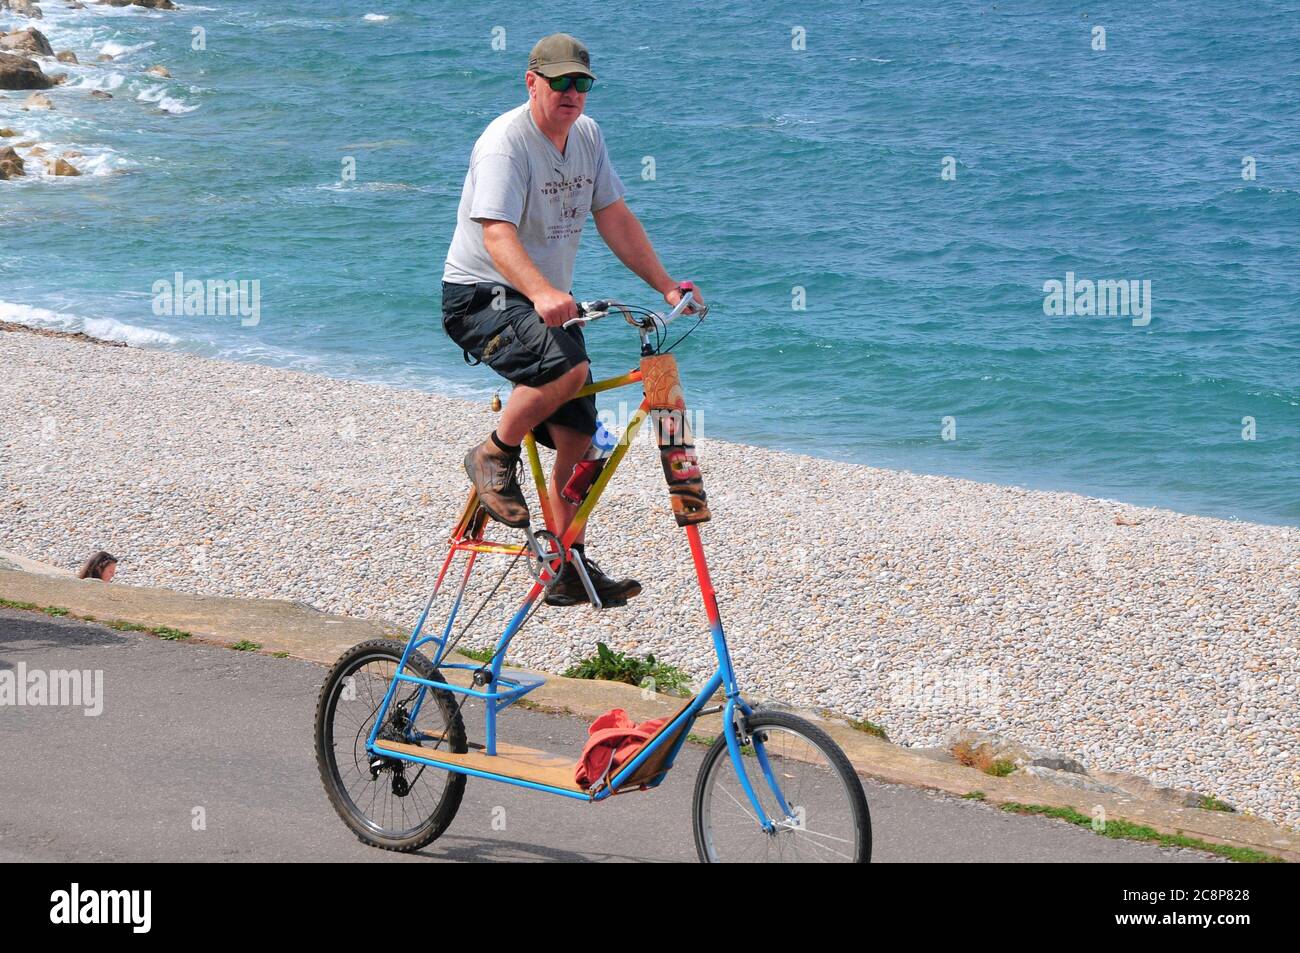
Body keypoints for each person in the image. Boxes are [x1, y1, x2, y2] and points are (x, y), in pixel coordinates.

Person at [442, 33, 704, 609]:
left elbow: (613, 215)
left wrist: (665, 285)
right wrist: (539, 291)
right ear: (531, 81)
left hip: (544, 301)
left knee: (584, 440)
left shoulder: (586, 136)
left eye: (581, 83)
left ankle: (566, 561)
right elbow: (497, 233)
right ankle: (493, 453)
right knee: (568, 366)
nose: (571, 93)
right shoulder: (505, 144)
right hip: (481, 297)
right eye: (560, 81)